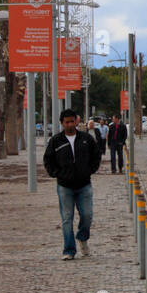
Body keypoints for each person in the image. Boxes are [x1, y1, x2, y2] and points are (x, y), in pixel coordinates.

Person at [43, 108, 103, 260]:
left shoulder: (86, 139)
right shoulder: (56, 141)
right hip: (65, 186)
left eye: (72, 121)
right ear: (62, 123)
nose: (70, 124)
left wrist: (90, 170)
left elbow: (96, 155)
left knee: (87, 215)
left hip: (84, 184)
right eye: (67, 122)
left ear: (76, 121)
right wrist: (56, 173)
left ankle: (82, 237)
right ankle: (69, 250)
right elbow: (48, 160)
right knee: (67, 218)